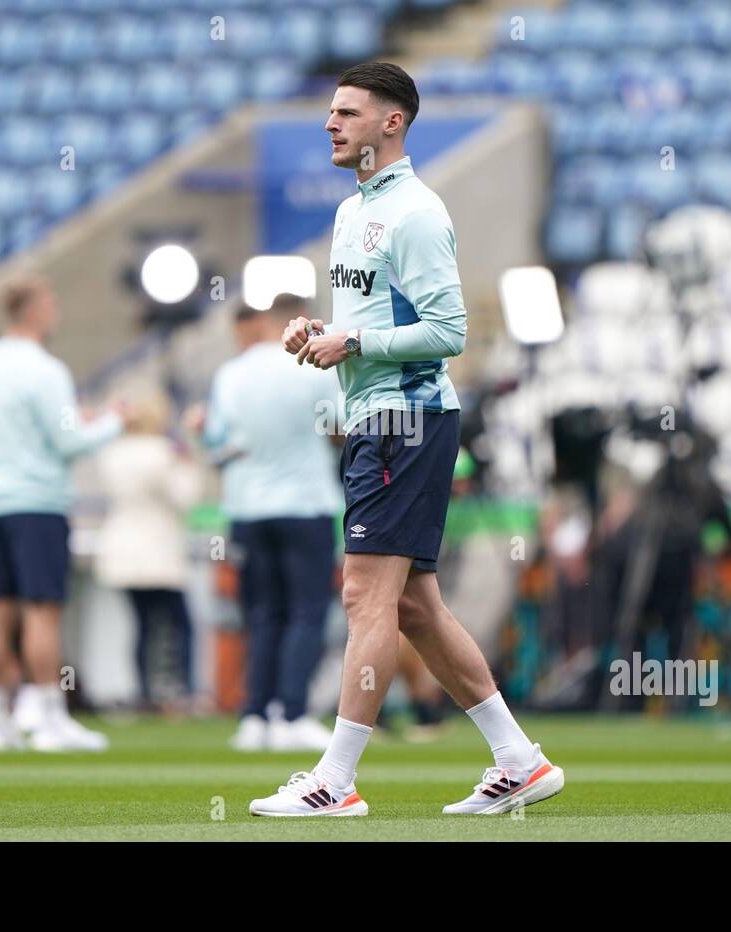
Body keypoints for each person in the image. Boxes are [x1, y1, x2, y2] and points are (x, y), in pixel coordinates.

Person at [250, 62, 563, 817]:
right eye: (330, 111)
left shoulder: (415, 213)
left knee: (365, 595)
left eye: (347, 112)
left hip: (404, 419)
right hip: (380, 419)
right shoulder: (354, 210)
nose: (330, 123)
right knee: (415, 606)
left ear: (392, 122)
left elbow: (450, 332)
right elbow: (382, 323)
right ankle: (520, 760)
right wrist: (324, 333)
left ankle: (335, 778)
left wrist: (351, 342)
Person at [0, 279, 128, 753]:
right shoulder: (44, 369)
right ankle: (51, 718)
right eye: (51, 303)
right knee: (42, 612)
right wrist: (114, 420)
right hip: (35, 503)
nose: (55, 311)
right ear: (34, 309)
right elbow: (69, 442)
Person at [199, 297, 341, 752]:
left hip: (248, 509)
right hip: (304, 504)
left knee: (261, 614)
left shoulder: (230, 373)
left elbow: (218, 441)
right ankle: (291, 712)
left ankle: (255, 714)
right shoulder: (312, 363)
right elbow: (341, 427)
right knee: (306, 611)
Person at [94, 392, 201, 710]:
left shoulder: (111, 452)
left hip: (121, 548)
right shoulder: (163, 452)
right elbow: (186, 497)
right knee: (180, 623)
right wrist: (187, 463)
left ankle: (144, 691)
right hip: (158, 548)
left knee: (142, 624)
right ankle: (183, 691)